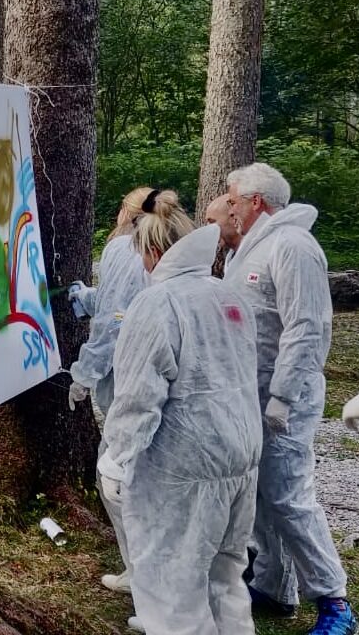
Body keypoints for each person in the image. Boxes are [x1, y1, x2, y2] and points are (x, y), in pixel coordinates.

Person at [98, 191, 261, 635]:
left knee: (173, 582)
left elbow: (137, 397)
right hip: (239, 455)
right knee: (225, 577)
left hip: (183, 466)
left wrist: (117, 457)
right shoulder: (224, 294)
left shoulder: (157, 304)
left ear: (152, 251)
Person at [224, 162, 357, 633]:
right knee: (262, 492)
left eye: (234, 199)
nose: (230, 208)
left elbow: (308, 328)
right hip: (250, 392)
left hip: (283, 400)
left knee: (290, 497)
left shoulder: (293, 246)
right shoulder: (252, 248)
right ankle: (276, 586)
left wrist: (282, 396)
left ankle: (335, 600)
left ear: (256, 201)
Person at [66, 187, 151, 594]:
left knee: (116, 477)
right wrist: (87, 297)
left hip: (129, 376)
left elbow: (114, 320)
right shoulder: (171, 244)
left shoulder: (123, 248)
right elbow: (121, 302)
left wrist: (84, 373)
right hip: (159, 374)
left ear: (124, 212)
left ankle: (144, 574)